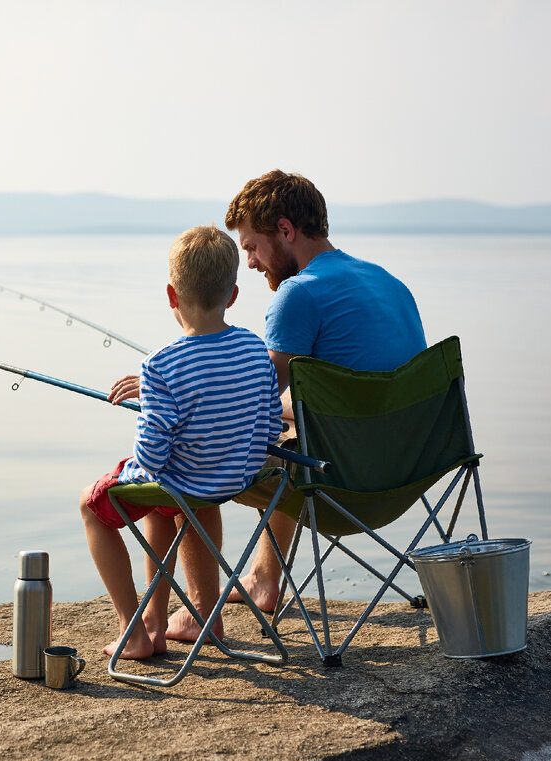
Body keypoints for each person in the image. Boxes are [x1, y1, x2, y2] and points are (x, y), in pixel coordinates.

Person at [150, 170, 428, 640]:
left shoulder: (298, 295)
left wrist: (171, 387)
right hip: (409, 468)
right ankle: (262, 577)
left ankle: (201, 610)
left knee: (189, 456)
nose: (253, 264)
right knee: (288, 435)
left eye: (253, 247)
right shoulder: (388, 281)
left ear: (285, 230)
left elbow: (245, 401)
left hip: (342, 484)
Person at [81, 225, 283, 660]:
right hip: (238, 478)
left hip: (186, 483)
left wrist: (151, 413)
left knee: (91, 505)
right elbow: (270, 429)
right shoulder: (254, 349)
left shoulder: (160, 365)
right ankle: (178, 620)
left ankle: (131, 629)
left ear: (172, 296)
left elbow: (151, 457)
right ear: (232, 295)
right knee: (171, 502)